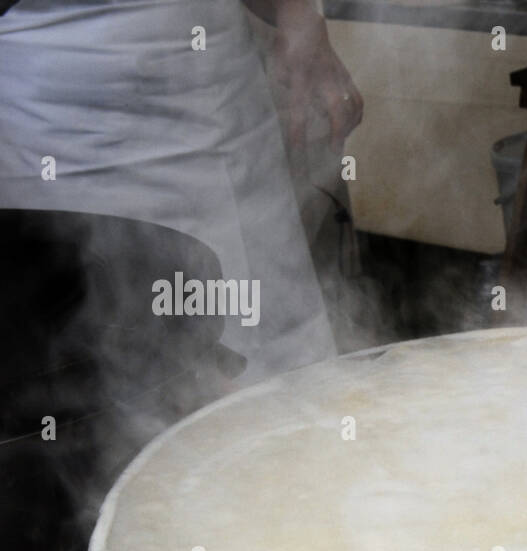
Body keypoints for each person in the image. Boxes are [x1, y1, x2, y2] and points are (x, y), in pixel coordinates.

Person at [0, 0, 362, 386]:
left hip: (224, 110)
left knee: (285, 401)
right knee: (103, 401)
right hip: (56, 135)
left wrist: (298, 17)